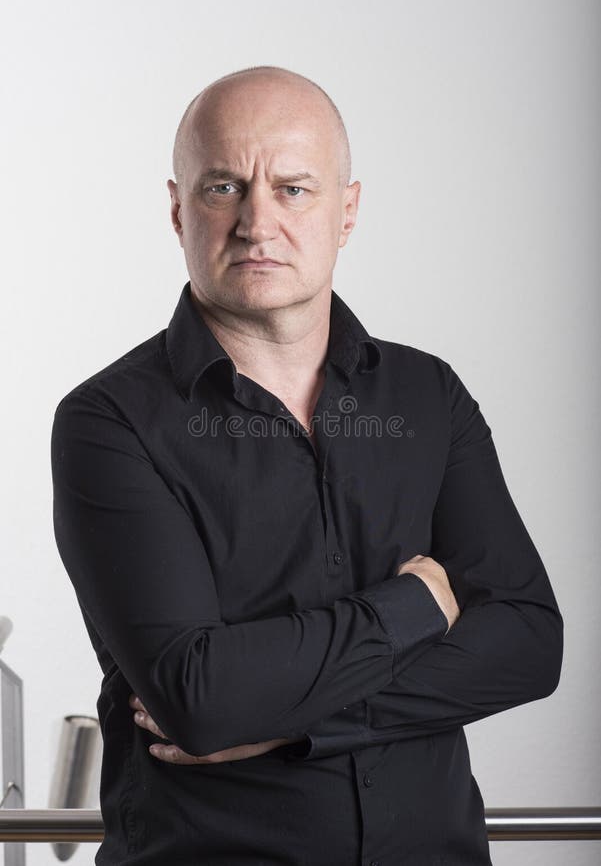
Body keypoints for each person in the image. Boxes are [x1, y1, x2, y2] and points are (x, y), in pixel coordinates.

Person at [50, 65, 563, 865]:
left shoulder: (427, 395)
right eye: (224, 187)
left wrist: (294, 724)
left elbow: (528, 642)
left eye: (292, 189)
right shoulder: (108, 422)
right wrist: (415, 606)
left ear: (346, 211)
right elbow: (198, 696)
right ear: (178, 209)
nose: (257, 222)